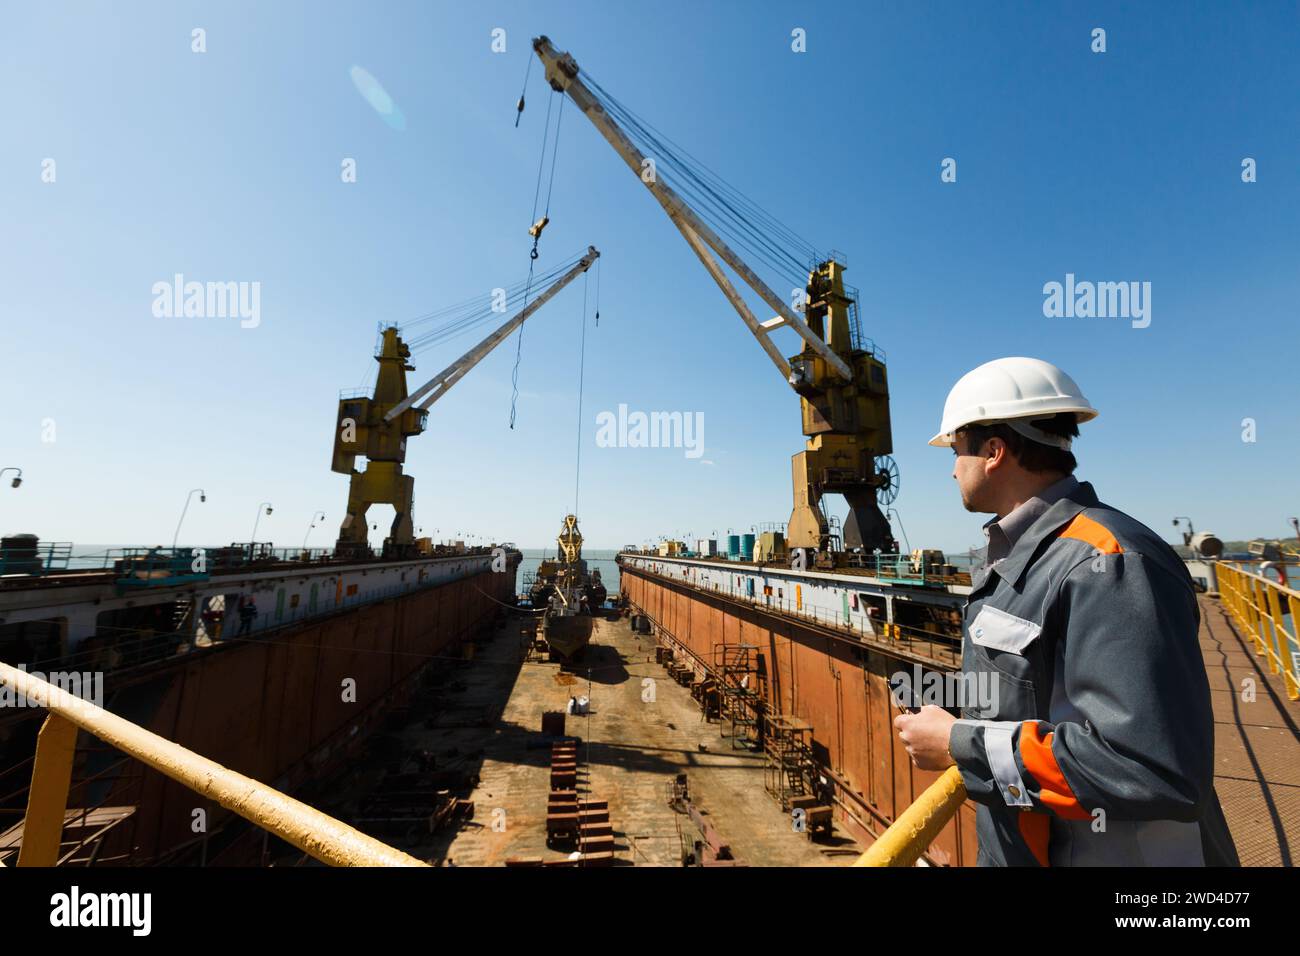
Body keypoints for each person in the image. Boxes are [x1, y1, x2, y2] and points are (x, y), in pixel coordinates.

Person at [894, 357, 1238, 867]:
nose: (951, 468)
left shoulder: (1110, 563)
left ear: (993, 451)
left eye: (957, 450)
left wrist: (958, 745)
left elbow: (1151, 767)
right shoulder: (1033, 555)